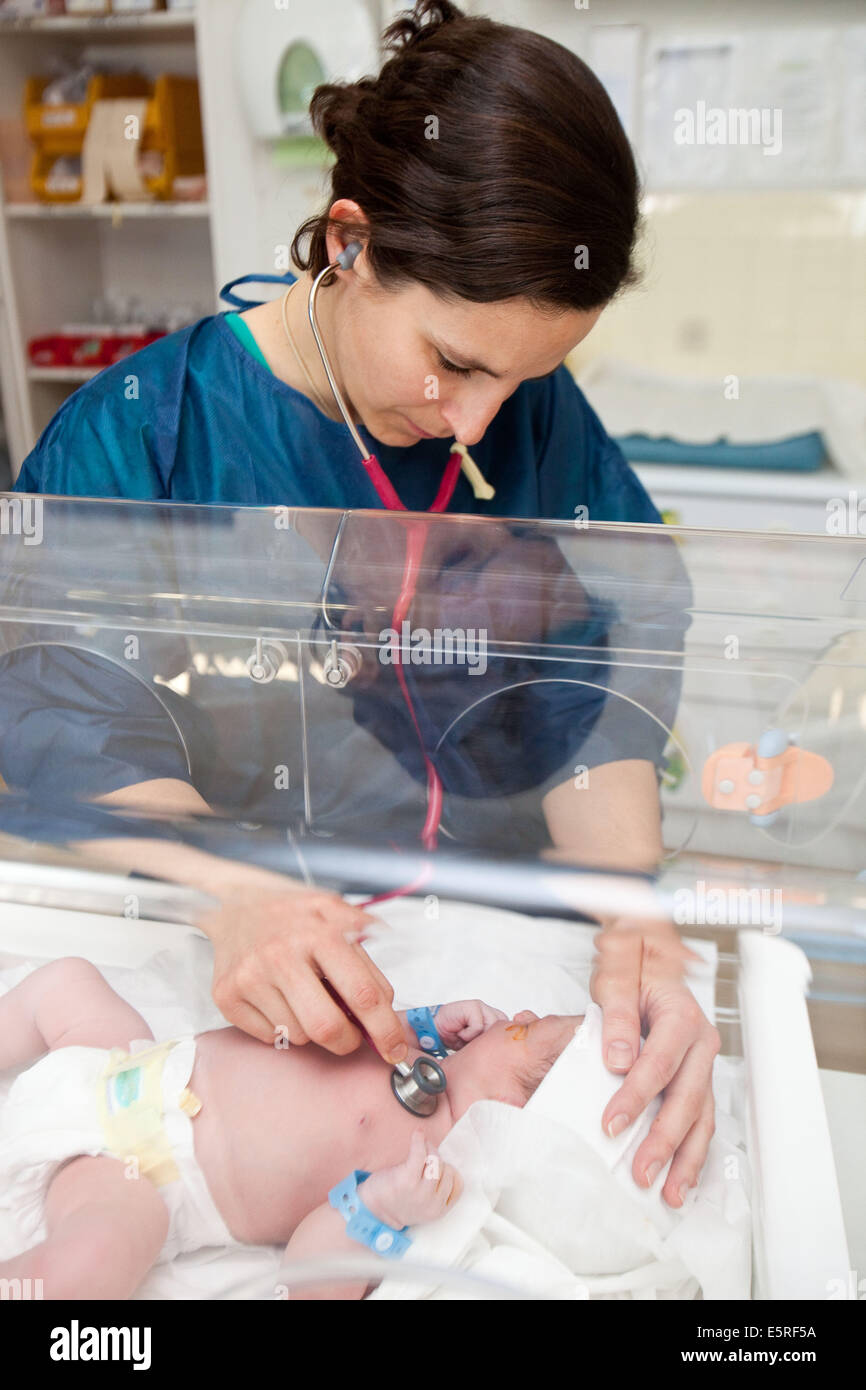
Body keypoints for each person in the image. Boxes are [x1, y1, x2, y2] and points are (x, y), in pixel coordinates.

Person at [6, 0, 719, 1207]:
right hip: (233, 975)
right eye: (455, 361)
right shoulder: (148, 440)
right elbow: (60, 710)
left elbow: (594, 678)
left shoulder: (530, 418)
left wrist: (627, 916)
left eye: (529, 376)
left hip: (484, 956)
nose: (481, 422)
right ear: (350, 241)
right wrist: (237, 891)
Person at [0, 956, 579, 1300]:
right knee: (69, 980)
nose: (520, 1016)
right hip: (123, 1058)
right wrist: (416, 1022)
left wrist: (378, 1207)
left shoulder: (428, 1177)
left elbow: (308, 1278)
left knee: (95, 1260)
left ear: (517, 1107)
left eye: (531, 1033)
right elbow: (328, 1031)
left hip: (140, 1173)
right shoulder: (421, 1054)